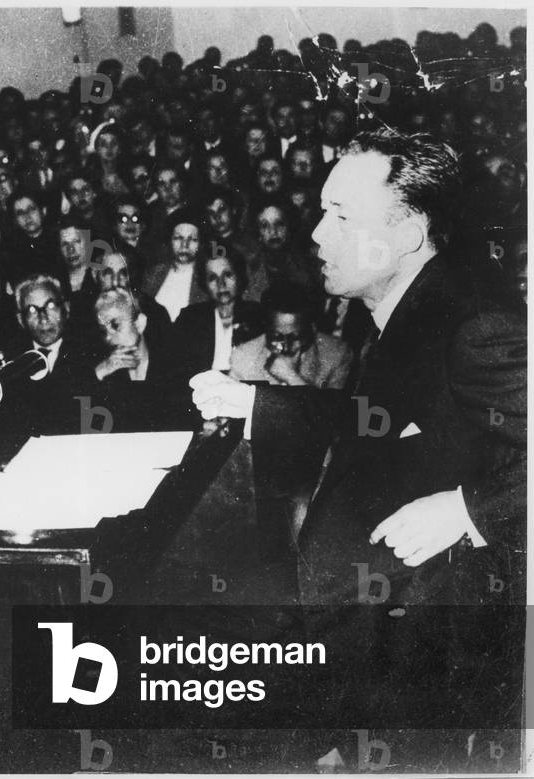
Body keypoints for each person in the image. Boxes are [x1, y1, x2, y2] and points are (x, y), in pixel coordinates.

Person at [190, 130, 525, 717]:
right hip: (383, 623)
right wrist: (256, 404)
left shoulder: (477, 324)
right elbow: (381, 424)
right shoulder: (413, 302)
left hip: (438, 653)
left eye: (341, 218)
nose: (316, 234)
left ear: (407, 236)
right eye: (322, 212)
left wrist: (468, 509)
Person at [229, 282, 352, 389]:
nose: (287, 348)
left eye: (296, 337)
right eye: (277, 337)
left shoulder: (337, 355)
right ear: (266, 329)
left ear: (312, 329)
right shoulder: (242, 358)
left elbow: (332, 414)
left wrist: (291, 377)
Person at [170, 247, 264, 377]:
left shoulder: (257, 315)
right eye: (213, 278)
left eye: (228, 275)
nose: (221, 284)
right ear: (205, 284)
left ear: (239, 277)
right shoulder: (190, 317)